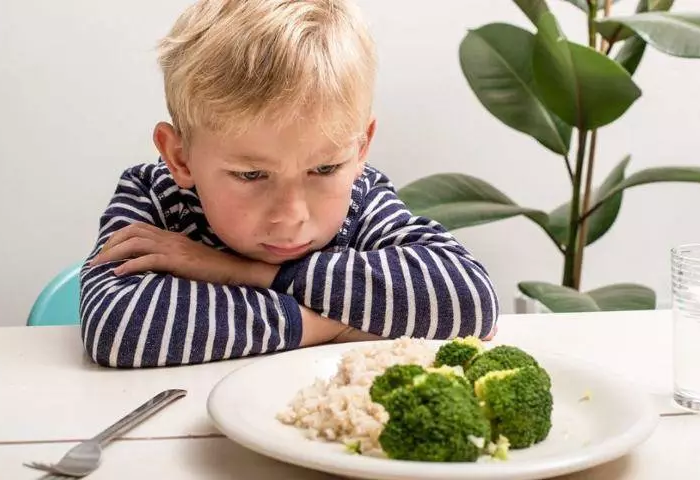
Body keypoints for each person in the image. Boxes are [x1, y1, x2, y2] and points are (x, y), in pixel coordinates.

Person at [79, 0, 499, 368]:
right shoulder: (153, 196)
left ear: (360, 148)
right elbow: (119, 328)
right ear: (180, 157)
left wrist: (242, 272)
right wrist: (325, 327)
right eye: (251, 175)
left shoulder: (362, 197)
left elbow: (471, 299)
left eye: (324, 170)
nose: (291, 216)